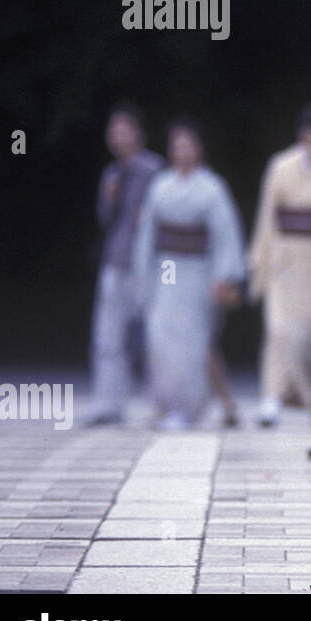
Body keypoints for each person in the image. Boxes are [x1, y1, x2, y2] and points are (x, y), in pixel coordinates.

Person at [134, 120, 246, 429]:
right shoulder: (160, 186)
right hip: (168, 265)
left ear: (199, 149)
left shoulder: (211, 188)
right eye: (176, 145)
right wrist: (142, 272)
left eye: (188, 145)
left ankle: (188, 408)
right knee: (161, 332)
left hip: (198, 268)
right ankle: (164, 404)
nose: (181, 151)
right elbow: (147, 234)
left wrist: (224, 276)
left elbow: (225, 236)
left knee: (192, 339)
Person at [249, 101, 311, 427]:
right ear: (302, 135)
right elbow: (267, 218)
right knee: (279, 332)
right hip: (285, 260)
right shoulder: (280, 166)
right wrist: (259, 262)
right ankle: (270, 399)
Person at [85, 103, 163, 426]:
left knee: (150, 334)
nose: (117, 137)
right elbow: (105, 218)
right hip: (115, 259)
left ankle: (156, 403)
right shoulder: (112, 174)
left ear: (138, 134)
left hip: (146, 263)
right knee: (107, 335)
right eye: (113, 132)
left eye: (123, 130)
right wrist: (111, 197)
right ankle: (108, 403)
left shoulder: (154, 170)